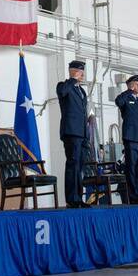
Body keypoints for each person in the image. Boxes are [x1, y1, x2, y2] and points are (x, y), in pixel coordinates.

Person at [114, 74, 138, 204]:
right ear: (131, 85)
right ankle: (133, 196)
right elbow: (118, 101)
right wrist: (129, 90)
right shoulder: (126, 98)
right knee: (131, 167)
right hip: (131, 138)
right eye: (137, 84)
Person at [55, 60, 89, 208]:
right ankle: (71, 198)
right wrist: (72, 79)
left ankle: (79, 197)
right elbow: (62, 92)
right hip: (71, 132)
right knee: (72, 164)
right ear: (73, 71)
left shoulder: (82, 91)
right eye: (80, 72)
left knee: (80, 166)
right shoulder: (63, 85)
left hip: (82, 133)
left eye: (83, 72)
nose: (82, 75)